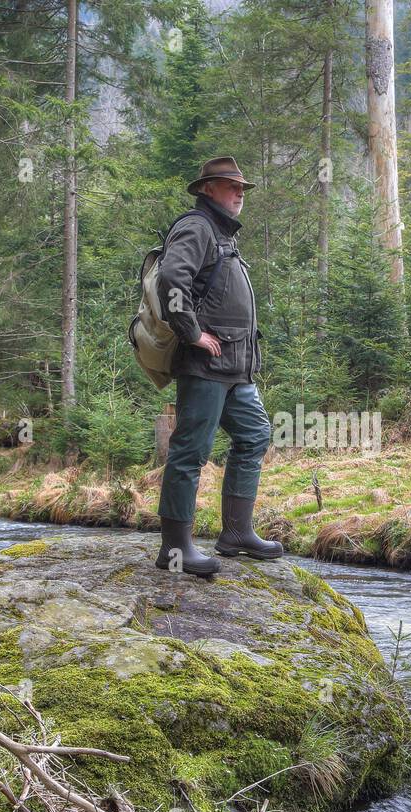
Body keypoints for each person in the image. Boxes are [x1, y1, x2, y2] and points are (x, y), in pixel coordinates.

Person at [154, 156, 284, 576]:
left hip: (235, 368)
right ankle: (174, 550)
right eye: (231, 186)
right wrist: (192, 333)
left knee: (254, 435)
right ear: (207, 189)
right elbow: (172, 279)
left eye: (242, 187)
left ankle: (236, 534)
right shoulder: (197, 227)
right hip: (205, 364)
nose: (239, 193)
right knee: (191, 450)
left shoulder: (223, 235)